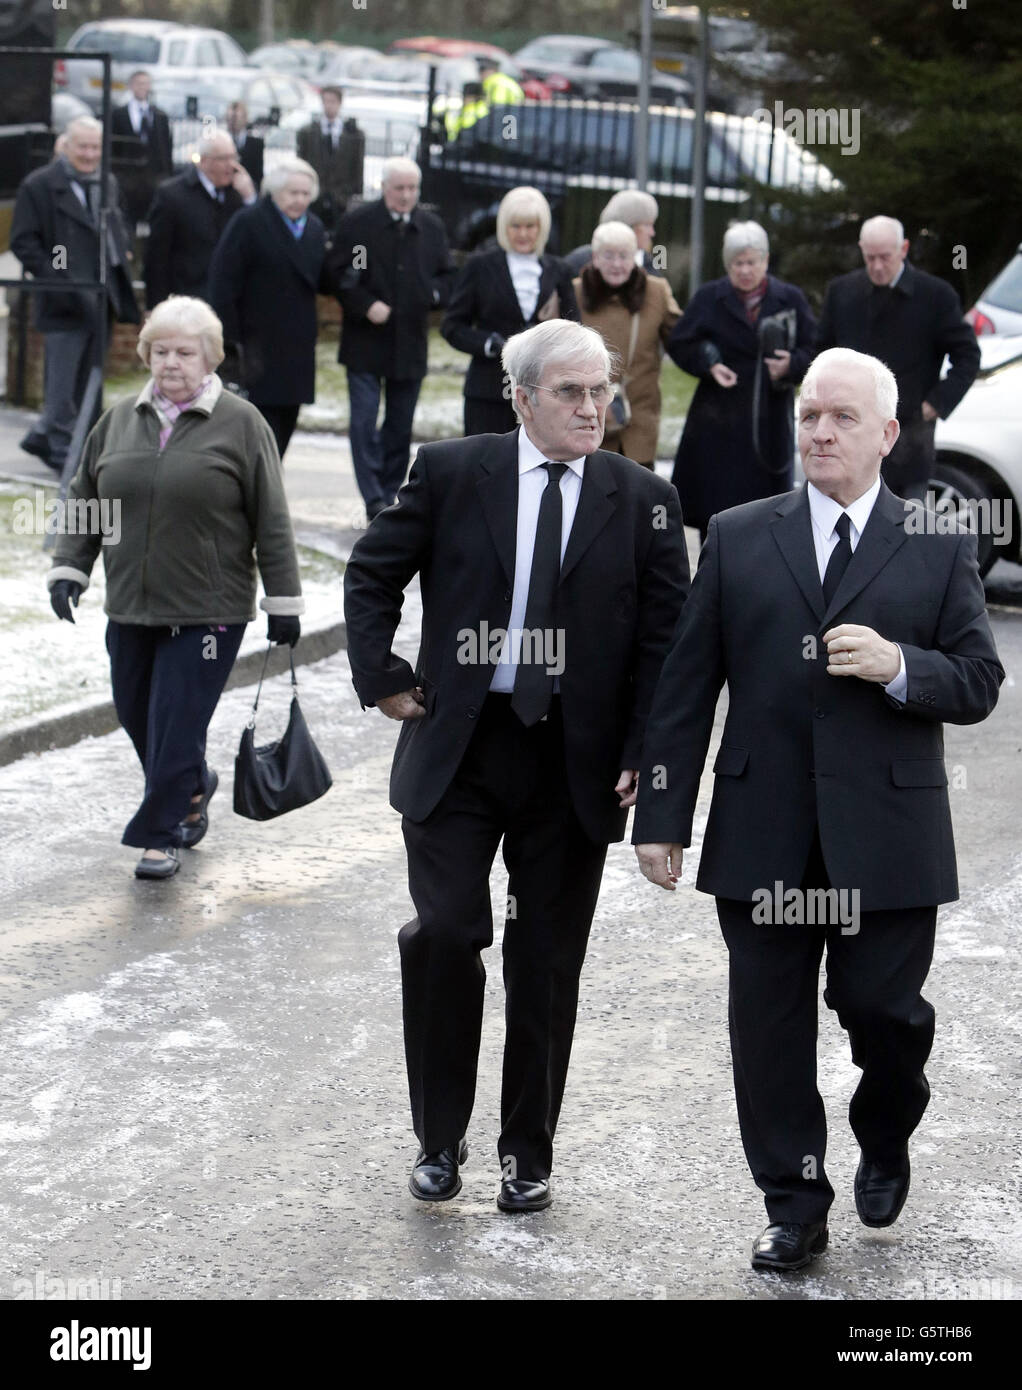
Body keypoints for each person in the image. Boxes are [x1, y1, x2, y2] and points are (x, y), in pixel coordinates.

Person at [633, 347, 1003, 1271]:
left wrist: (901, 667)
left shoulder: (936, 540)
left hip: (888, 834)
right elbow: (686, 687)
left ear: (888, 434)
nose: (820, 432)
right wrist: (663, 814)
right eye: (808, 416)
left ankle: (885, 1129)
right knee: (767, 1030)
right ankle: (794, 1203)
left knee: (884, 1012)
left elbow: (981, 681)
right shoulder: (740, 531)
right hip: (764, 828)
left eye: (841, 418)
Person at [343, 319, 690, 1213]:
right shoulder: (453, 472)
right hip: (462, 745)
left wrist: (642, 755)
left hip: (572, 761)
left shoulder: (644, 497)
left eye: (601, 389)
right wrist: (381, 675)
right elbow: (373, 572)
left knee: (545, 959)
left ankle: (526, 1153)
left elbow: (666, 645)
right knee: (449, 933)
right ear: (523, 397)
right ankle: (438, 1138)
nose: (592, 407)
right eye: (570, 392)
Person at [46, 297, 304, 881]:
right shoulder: (117, 420)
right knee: (138, 714)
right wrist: (70, 567)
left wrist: (283, 601)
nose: (171, 363)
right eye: (160, 351)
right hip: (131, 606)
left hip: (209, 612)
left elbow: (272, 518)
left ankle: (160, 835)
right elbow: (87, 499)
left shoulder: (242, 423)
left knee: (176, 722)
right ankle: (192, 783)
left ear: (209, 358)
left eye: (184, 352)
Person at [667, 220, 816, 541]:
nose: (745, 270)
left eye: (751, 262)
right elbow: (679, 342)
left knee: (766, 516)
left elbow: (815, 347)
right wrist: (709, 365)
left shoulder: (790, 298)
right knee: (715, 514)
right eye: (738, 263)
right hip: (717, 418)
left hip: (769, 416)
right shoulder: (710, 297)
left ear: (765, 260)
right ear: (727, 264)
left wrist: (792, 365)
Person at [815, 215, 980, 502]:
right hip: (849, 434)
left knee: (905, 526)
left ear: (903, 250)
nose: (877, 266)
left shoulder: (936, 295)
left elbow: (967, 354)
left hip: (909, 435)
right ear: (861, 250)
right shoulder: (842, 292)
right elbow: (822, 352)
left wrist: (936, 403)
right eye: (870, 258)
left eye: (885, 257)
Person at [10, 116, 140, 475]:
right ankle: (61, 448)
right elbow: (27, 240)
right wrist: (60, 271)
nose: (89, 154)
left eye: (96, 147)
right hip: (64, 300)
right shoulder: (40, 185)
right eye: (82, 146)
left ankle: (55, 439)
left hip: (101, 297)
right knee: (63, 383)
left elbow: (116, 224)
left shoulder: (106, 182)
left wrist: (121, 250)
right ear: (65, 146)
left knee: (91, 382)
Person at [329, 157, 456, 520]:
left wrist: (432, 295)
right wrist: (365, 304)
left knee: (400, 425)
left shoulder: (430, 228)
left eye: (412, 188)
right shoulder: (360, 225)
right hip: (366, 340)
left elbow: (447, 276)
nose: (406, 195)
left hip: (410, 341)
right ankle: (371, 495)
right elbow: (342, 273)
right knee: (364, 422)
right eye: (399, 188)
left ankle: (387, 494)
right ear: (384, 188)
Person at [208, 157, 329, 459]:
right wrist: (230, 341)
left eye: (305, 193)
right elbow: (224, 282)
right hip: (256, 343)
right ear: (275, 192)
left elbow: (324, 276)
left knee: (285, 425)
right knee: (257, 430)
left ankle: (268, 488)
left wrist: (359, 260)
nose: (300, 200)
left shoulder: (313, 228)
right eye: (293, 193)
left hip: (296, 345)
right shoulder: (249, 222)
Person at [442, 186, 578, 436]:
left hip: (542, 395)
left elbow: (574, 329)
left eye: (530, 226)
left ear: (542, 228)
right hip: (487, 391)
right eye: (515, 226)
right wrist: (488, 343)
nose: (523, 234)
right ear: (504, 226)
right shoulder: (479, 266)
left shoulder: (559, 271)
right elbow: (452, 326)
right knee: (484, 467)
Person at [573, 221, 682, 468]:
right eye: (608, 256)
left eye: (624, 256)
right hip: (586, 416)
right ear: (594, 257)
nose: (616, 264)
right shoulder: (574, 293)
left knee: (637, 497)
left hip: (639, 417)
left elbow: (681, 338)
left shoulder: (657, 292)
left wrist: (710, 360)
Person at [144, 131, 256, 310]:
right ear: (204, 161)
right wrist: (155, 306)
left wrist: (250, 198)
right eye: (224, 159)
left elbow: (255, 238)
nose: (232, 165)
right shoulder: (172, 195)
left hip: (231, 300)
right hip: (187, 300)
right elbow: (157, 257)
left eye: (234, 157)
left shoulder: (238, 193)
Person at [296, 85, 364, 238]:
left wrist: (353, 194)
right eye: (326, 101)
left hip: (341, 196)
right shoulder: (308, 132)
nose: (329, 105)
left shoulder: (354, 134)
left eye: (332, 101)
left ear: (339, 103)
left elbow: (358, 166)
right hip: (315, 195)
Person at [110, 70, 173, 232]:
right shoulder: (118, 114)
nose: (142, 87)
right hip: (127, 177)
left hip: (154, 178)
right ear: (131, 86)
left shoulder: (160, 116)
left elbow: (166, 148)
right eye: (139, 83)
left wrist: (166, 174)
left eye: (146, 83)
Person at [563, 190, 664, 278]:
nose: (652, 233)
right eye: (647, 225)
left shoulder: (650, 268)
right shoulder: (579, 262)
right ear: (628, 227)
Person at [225, 101, 264, 190]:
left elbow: (258, 173)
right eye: (230, 117)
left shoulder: (256, 143)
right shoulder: (219, 141)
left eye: (237, 117)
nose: (233, 121)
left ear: (245, 119)